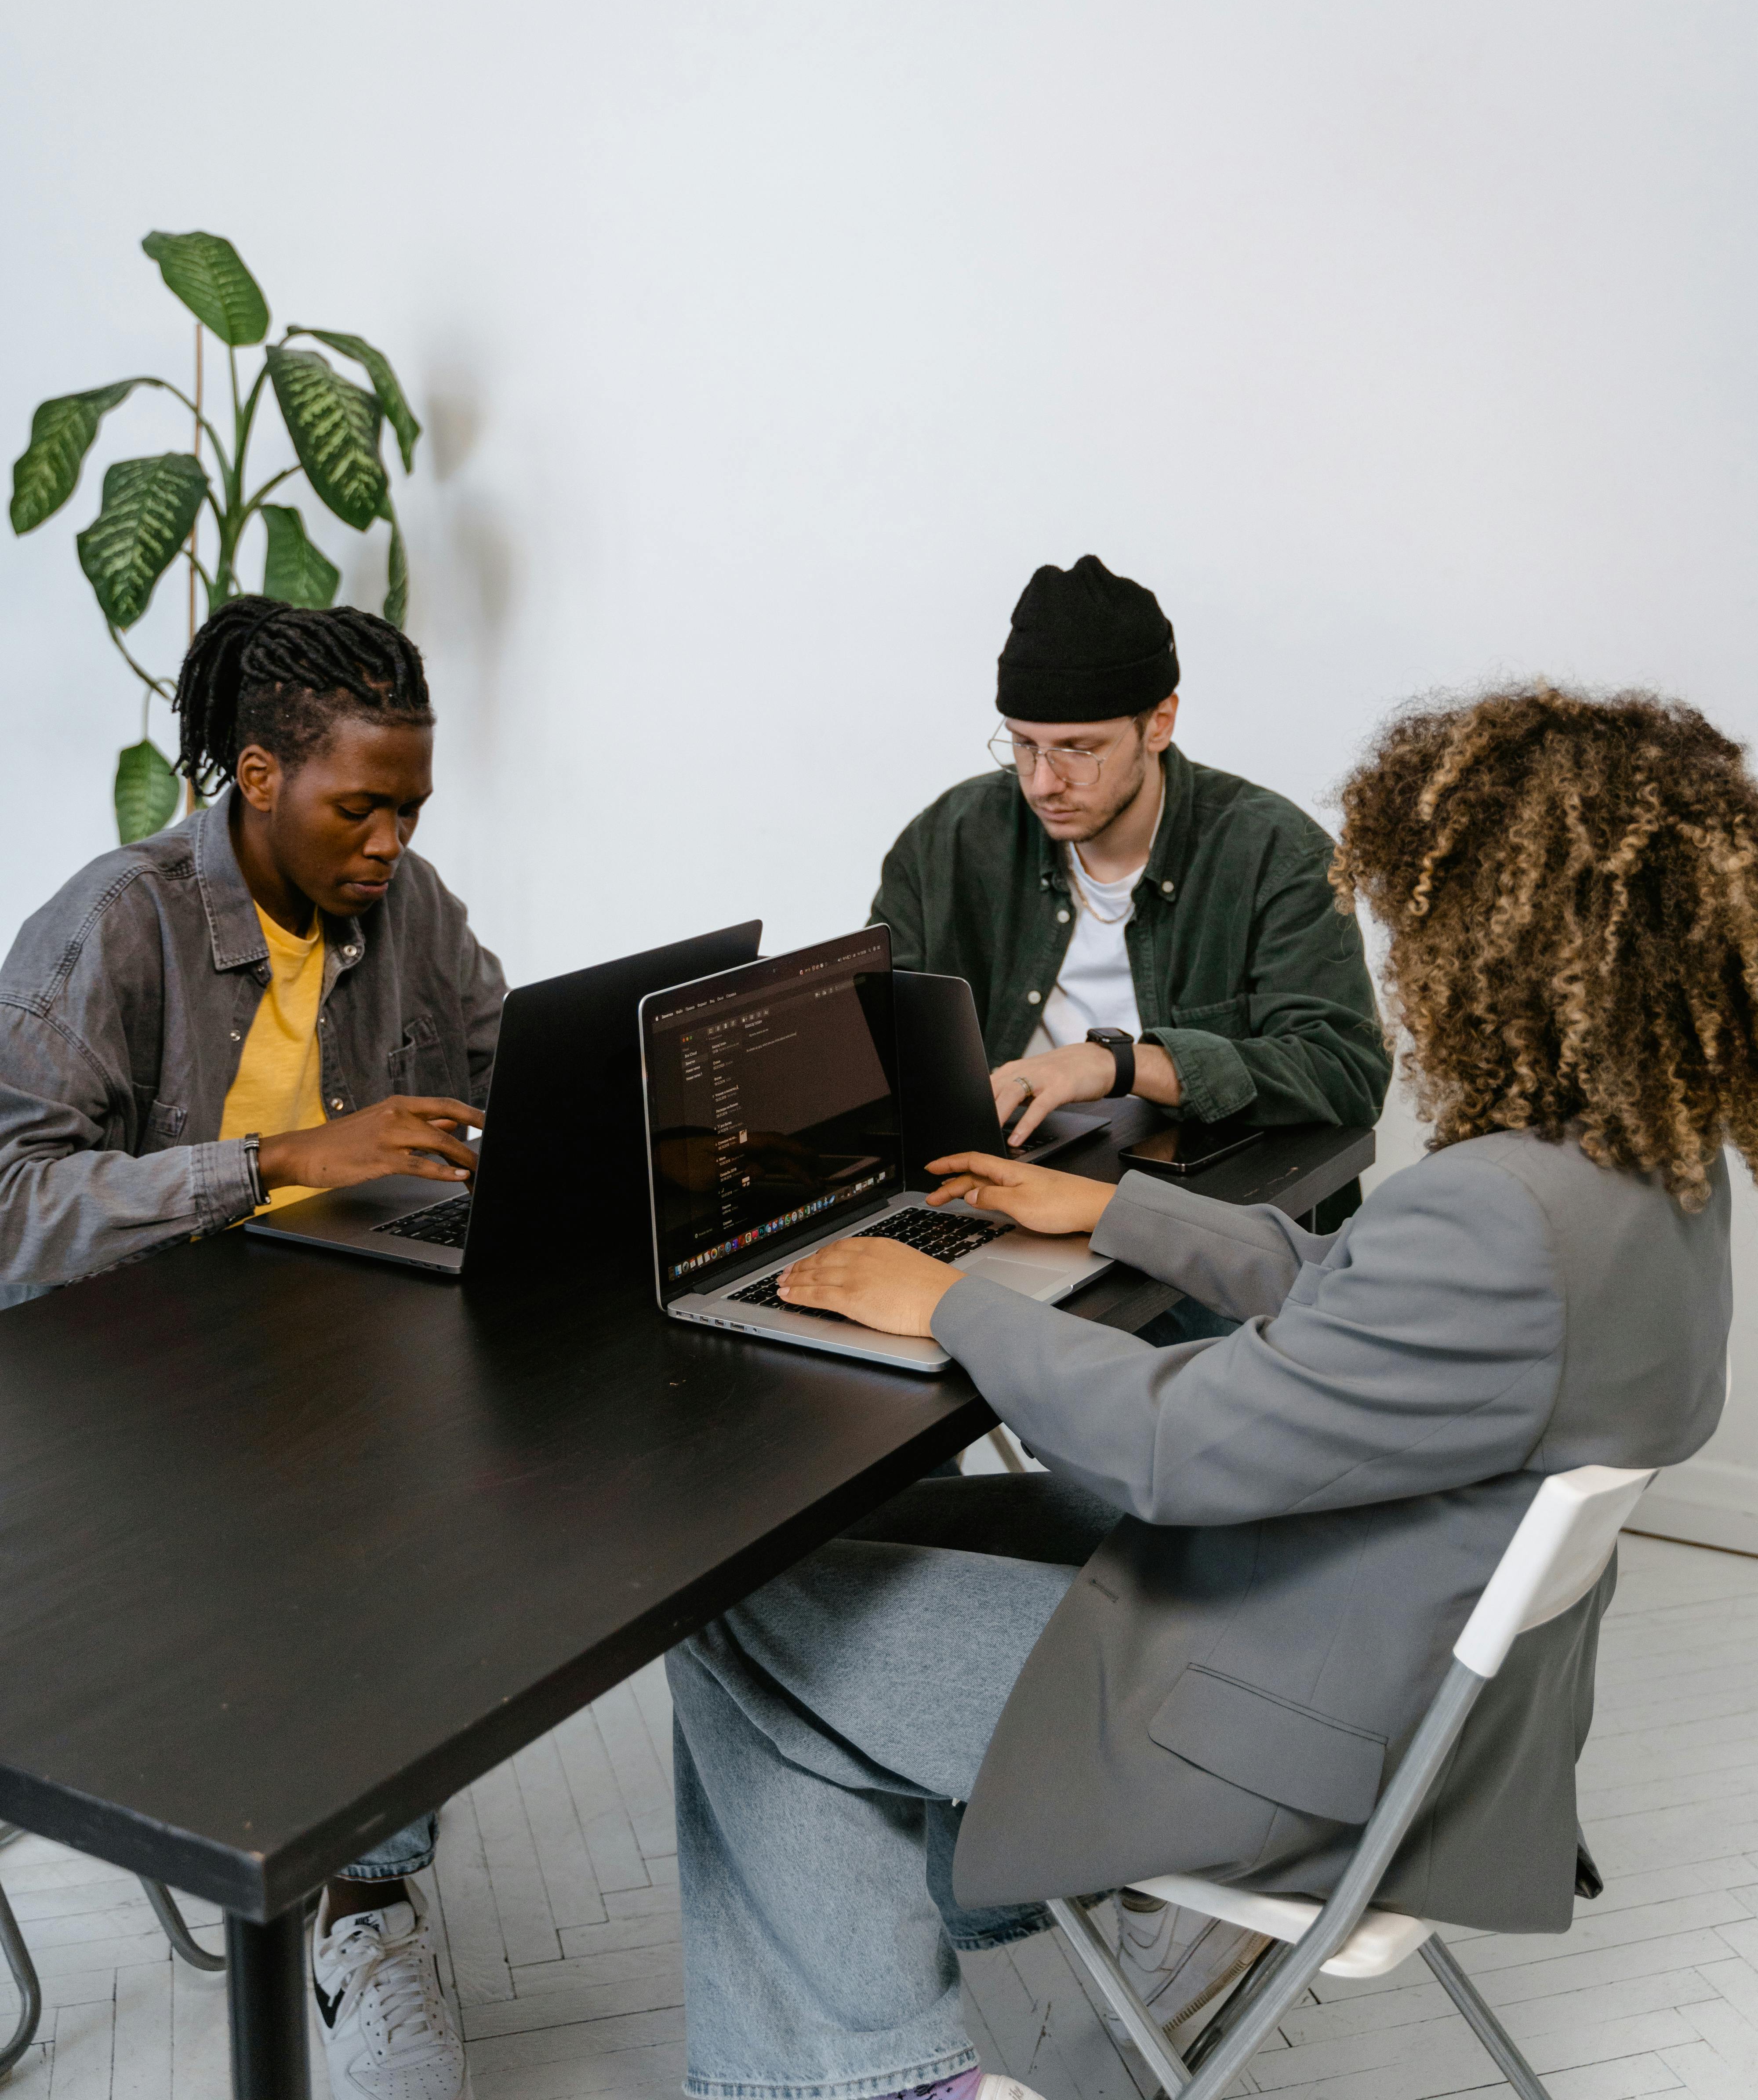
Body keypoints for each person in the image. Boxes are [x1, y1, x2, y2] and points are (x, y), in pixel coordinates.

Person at [666, 687, 1739, 2100]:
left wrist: (951, 1301)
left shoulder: (1499, 1216)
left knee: (727, 1590)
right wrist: (1105, 1215)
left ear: (1510, 948)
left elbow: (1175, 1447)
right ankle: (933, 1940)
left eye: (1425, 927)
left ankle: (889, 2074)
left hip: (1276, 1743)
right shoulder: (1647, 1173)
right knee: (828, 1555)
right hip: (1395, 1672)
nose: (1407, 962)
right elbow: (1355, 1291)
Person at [0, 595, 501, 2100]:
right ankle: (354, 1891)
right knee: (366, 1518)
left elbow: (500, 1057)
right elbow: (9, 1205)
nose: (391, 846)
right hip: (100, 1399)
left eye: (411, 810)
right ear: (257, 773)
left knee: (457, 1480)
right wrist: (282, 1161)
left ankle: (363, 1905)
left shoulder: (403, 906)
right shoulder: (119, 921)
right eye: (362, 808)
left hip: (304, 1370)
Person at [870, 555, 1388, 1238]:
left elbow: (1346, 1072)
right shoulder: (952, 839)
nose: (1042, 782)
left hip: (1214, 1227)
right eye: (1024, 746)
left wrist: (1114, 1065)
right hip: (995, 1197)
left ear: (1159, 723)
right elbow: (883, 1040)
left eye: (1079, 750)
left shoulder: (1275, 855)